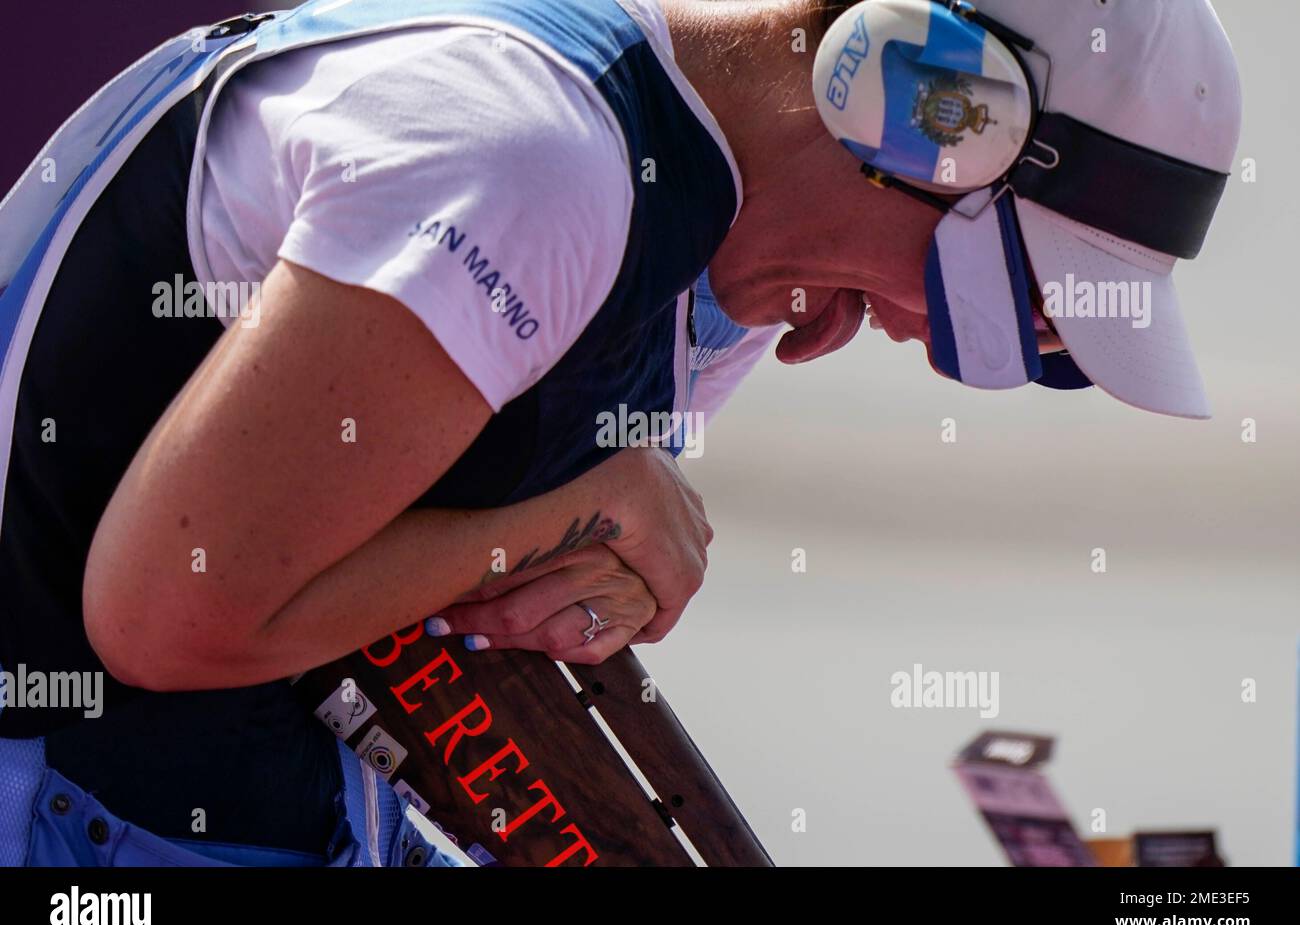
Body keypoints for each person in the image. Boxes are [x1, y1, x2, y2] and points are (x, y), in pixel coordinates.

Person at [0, 0, 1240, 866]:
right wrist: (574, 520)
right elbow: (174, 613)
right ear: (923, 100)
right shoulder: (533, 161)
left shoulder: (711, 244)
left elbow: (406, 580)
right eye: (993, 306)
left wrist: (557, 567)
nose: (940, 347)